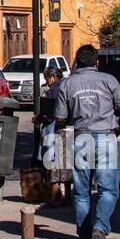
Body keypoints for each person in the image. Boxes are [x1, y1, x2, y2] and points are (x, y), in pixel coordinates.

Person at [54, 44, 120, 239]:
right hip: (105, 136)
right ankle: (100, 226)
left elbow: (60, 117)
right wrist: (119, 127)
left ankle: (85, 233)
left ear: (77, 63)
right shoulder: (109, 80)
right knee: (108, 190)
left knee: (81, 191)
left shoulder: (67, 84)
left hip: (81, 138)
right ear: (97, 62)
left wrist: (67, 126)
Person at [35, 65, 69, 202]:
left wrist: (40, 118)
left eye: (46, 79)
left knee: (52, 161)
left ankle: (55, 196)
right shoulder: (67, 85)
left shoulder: (54, 89)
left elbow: (50, 111)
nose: (46, 82)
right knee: (66, 162)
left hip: (53, 127)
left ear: (53, 77)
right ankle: (67, 195)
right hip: (67, 128)